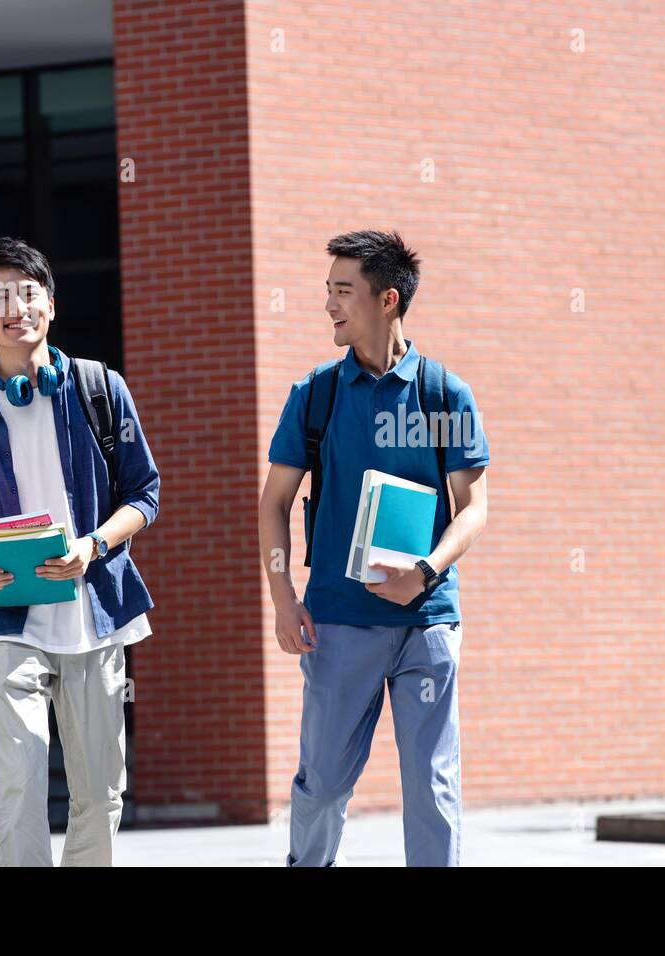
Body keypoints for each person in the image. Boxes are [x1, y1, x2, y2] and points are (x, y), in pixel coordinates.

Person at [0, 237, 160, 866]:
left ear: (50, 305)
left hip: (95, 615)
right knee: (19, 783)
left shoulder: (99, 390)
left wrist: (94, 544)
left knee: (101, 794)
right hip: (5, 619)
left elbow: (145, 494)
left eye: (27, 294)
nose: (14, 308)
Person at [259, 230, 490, 866]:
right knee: (324, 782)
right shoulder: (315, 397)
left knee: (433, 788)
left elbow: (475, 509)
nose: (329, 305)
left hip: (427, 622)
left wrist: (425, 570)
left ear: (388, 299)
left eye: (343, 291)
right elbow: (274, 503)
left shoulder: (446, 396)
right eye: (327, 291)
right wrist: (284, 599)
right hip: (337, 620)